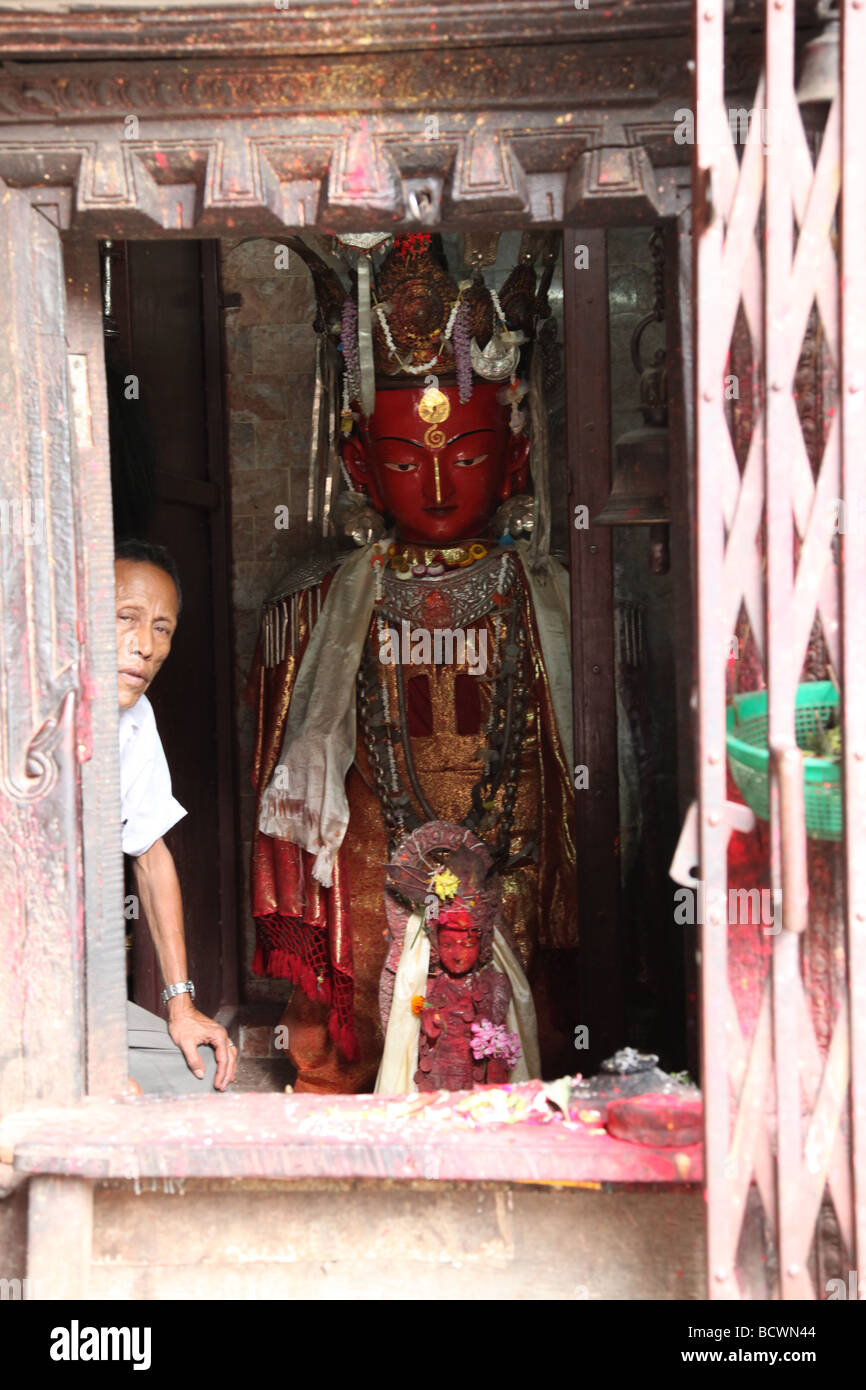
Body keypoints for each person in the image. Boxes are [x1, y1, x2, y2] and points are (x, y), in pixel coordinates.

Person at [248, 233, 577, 1095]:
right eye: (403, 459)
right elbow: (291, 805)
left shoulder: (552, 603)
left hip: (510, 842)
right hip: (379, 855)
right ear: (360, 466)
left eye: (466, 455)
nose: (435, 488)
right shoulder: (315, 612)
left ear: (515, 459)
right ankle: (349, 1072)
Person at [116, 538, 237, 1094]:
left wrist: (181, 1007)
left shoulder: (135, 719)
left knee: (198, 1077)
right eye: (126, 618)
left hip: (68, 1007)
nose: (144, 645)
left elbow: (150, 853)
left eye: (162, 628)